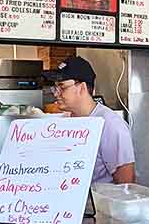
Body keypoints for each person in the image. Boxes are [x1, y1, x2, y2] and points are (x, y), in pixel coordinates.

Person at [45, 56, 136, 184]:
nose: (56, 93)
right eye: (55, 88)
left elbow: (126, 182)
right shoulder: (63, 121)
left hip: (97, 203)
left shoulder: (110, 124)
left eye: (62, 87)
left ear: (81, 87)